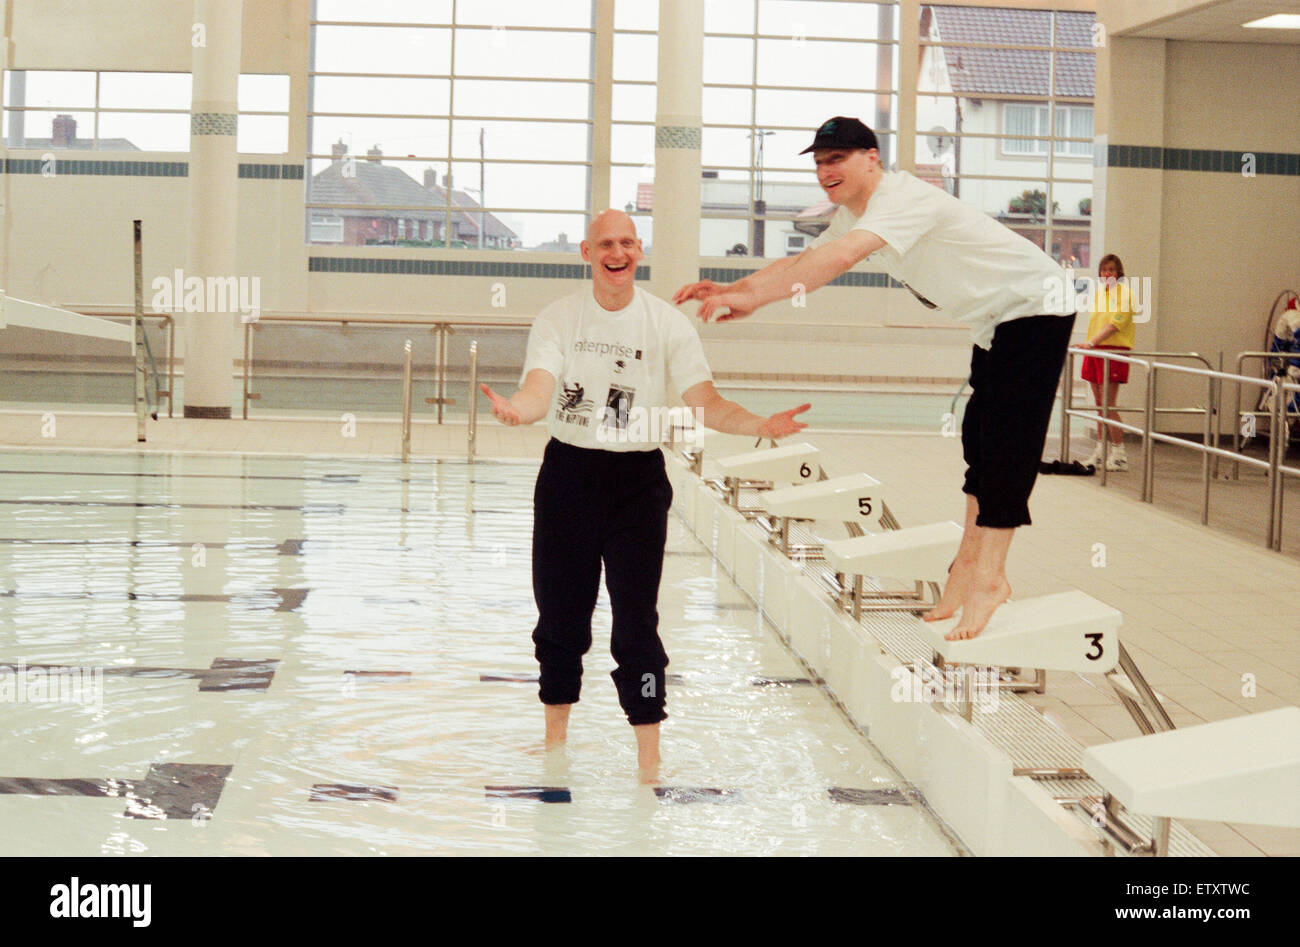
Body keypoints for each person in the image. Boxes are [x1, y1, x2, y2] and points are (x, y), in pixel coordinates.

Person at [673, 116, 1075, 641]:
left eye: (836, 159)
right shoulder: (855, 212)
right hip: (995, 320)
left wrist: (751, 299)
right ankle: (965, 566)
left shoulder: (900, 199)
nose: (825, 171)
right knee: (979, 440)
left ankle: (990, 579)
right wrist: (736, 291)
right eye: (820, 163)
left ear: (871, 158)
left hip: (1037, 305)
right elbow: (806, 259)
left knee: (1007, 445)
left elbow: (838, 259)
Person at [480, 209, 810, 781]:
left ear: (639, 250)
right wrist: (519, 411)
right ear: (587, 252)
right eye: (607, 243)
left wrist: (760, 424)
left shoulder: (666, 323)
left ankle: (649, 759)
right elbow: (540, 387)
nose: (618, 253)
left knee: (637, 624)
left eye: (628, 243)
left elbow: (706, 402)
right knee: (559, 618)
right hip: (567, 478)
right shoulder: (559, 318)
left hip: (636, 484)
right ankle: (554, 744)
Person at [1079, 254, 1136, 471]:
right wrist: (1089, 345)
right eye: (1104, 270)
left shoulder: (1126, 295)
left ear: (1118, 272)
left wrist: (1091, 343)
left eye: (1111, 270)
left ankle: (1119, 455)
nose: (1107, 273)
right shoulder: (1100, 295)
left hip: (1112, 351)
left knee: (1108, 404)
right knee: (1099, 405)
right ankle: (1100, 452)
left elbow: (1114, 325)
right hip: (1094, 351)